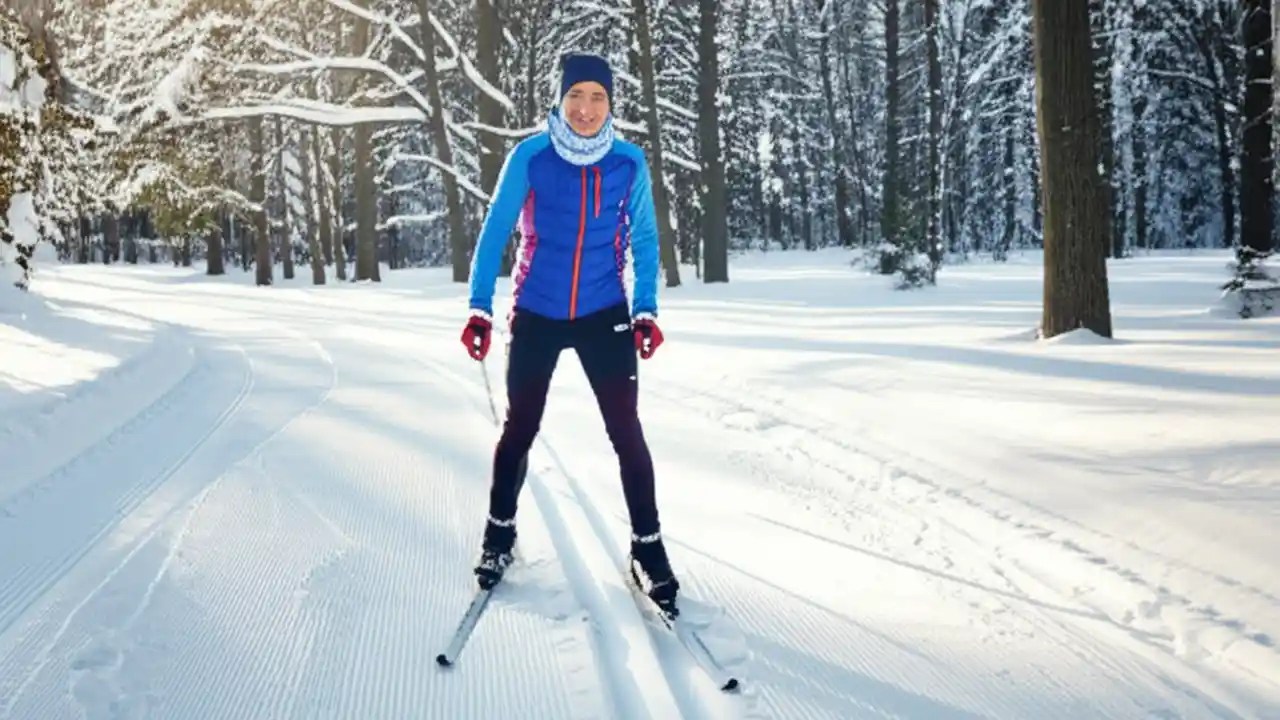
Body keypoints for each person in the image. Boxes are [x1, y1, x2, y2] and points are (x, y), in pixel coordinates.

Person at [460, 52, 679, 614]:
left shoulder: (628, 163)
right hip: (537, 309)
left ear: (611, 104)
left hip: (604, 310)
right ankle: (498, 536)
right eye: (576, 96)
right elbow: (494, 234)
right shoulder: (531, 157)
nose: (585, 109)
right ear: (560, 101)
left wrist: (646, 309)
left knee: (626, 431)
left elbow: (647, 241)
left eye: (598, 97)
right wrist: (480, 308)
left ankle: (648, 548)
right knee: (520, 428)